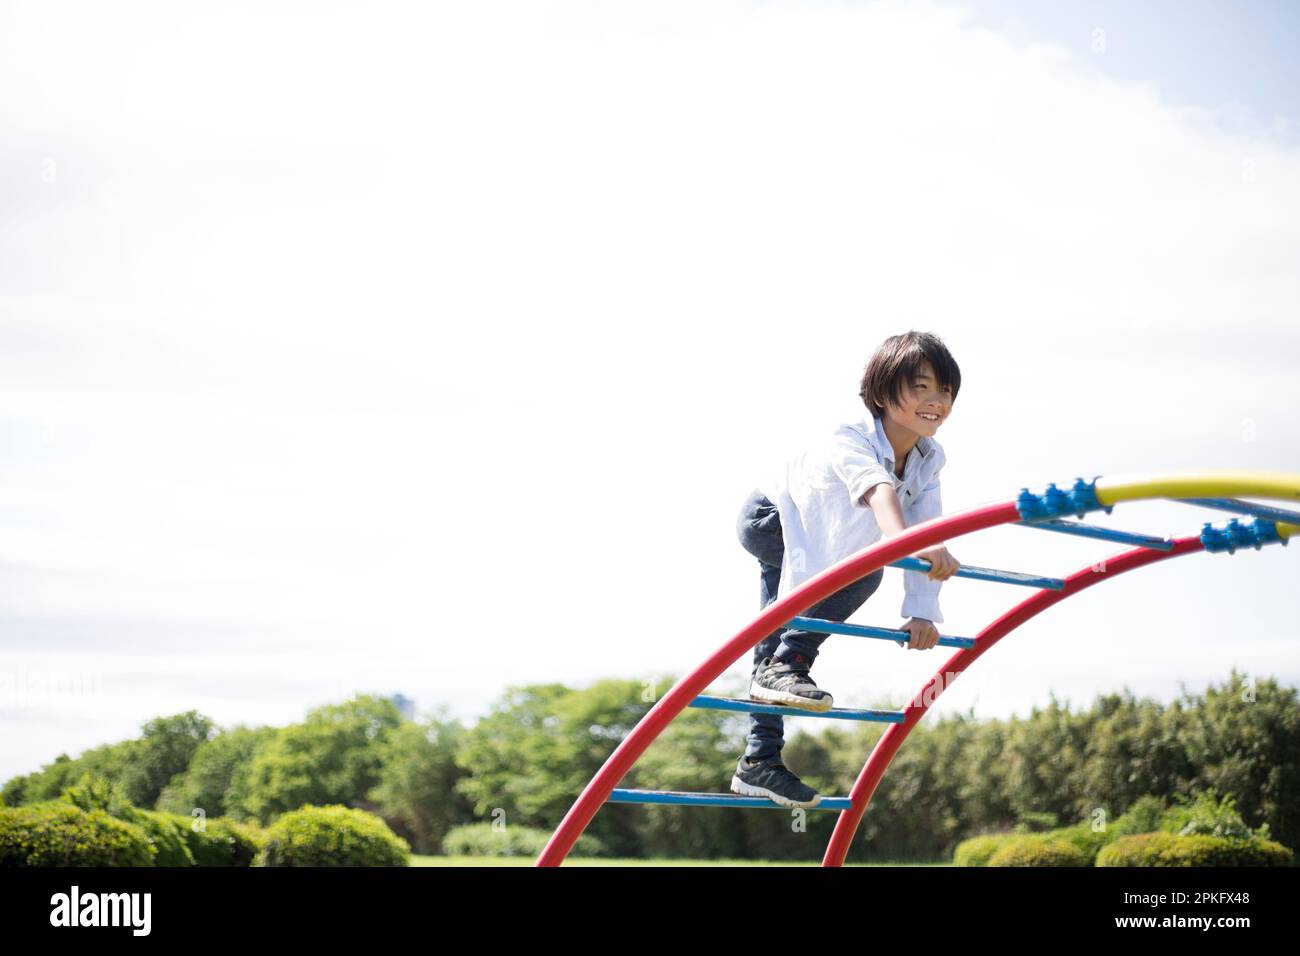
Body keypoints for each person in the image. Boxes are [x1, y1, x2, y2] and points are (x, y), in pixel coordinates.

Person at [729, 331, 963, 809]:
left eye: (945, 391)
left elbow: (928, 525)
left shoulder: (928, 457)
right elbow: (878, 491)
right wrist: (905, 543)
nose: (935, 401)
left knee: (774, 629)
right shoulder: (851, 436)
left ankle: (759, 760)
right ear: (881, 392)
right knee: (864, 575)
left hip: (830, 546)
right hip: (772, 518)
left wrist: (923, 611)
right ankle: (788, 662)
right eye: (920, 388)